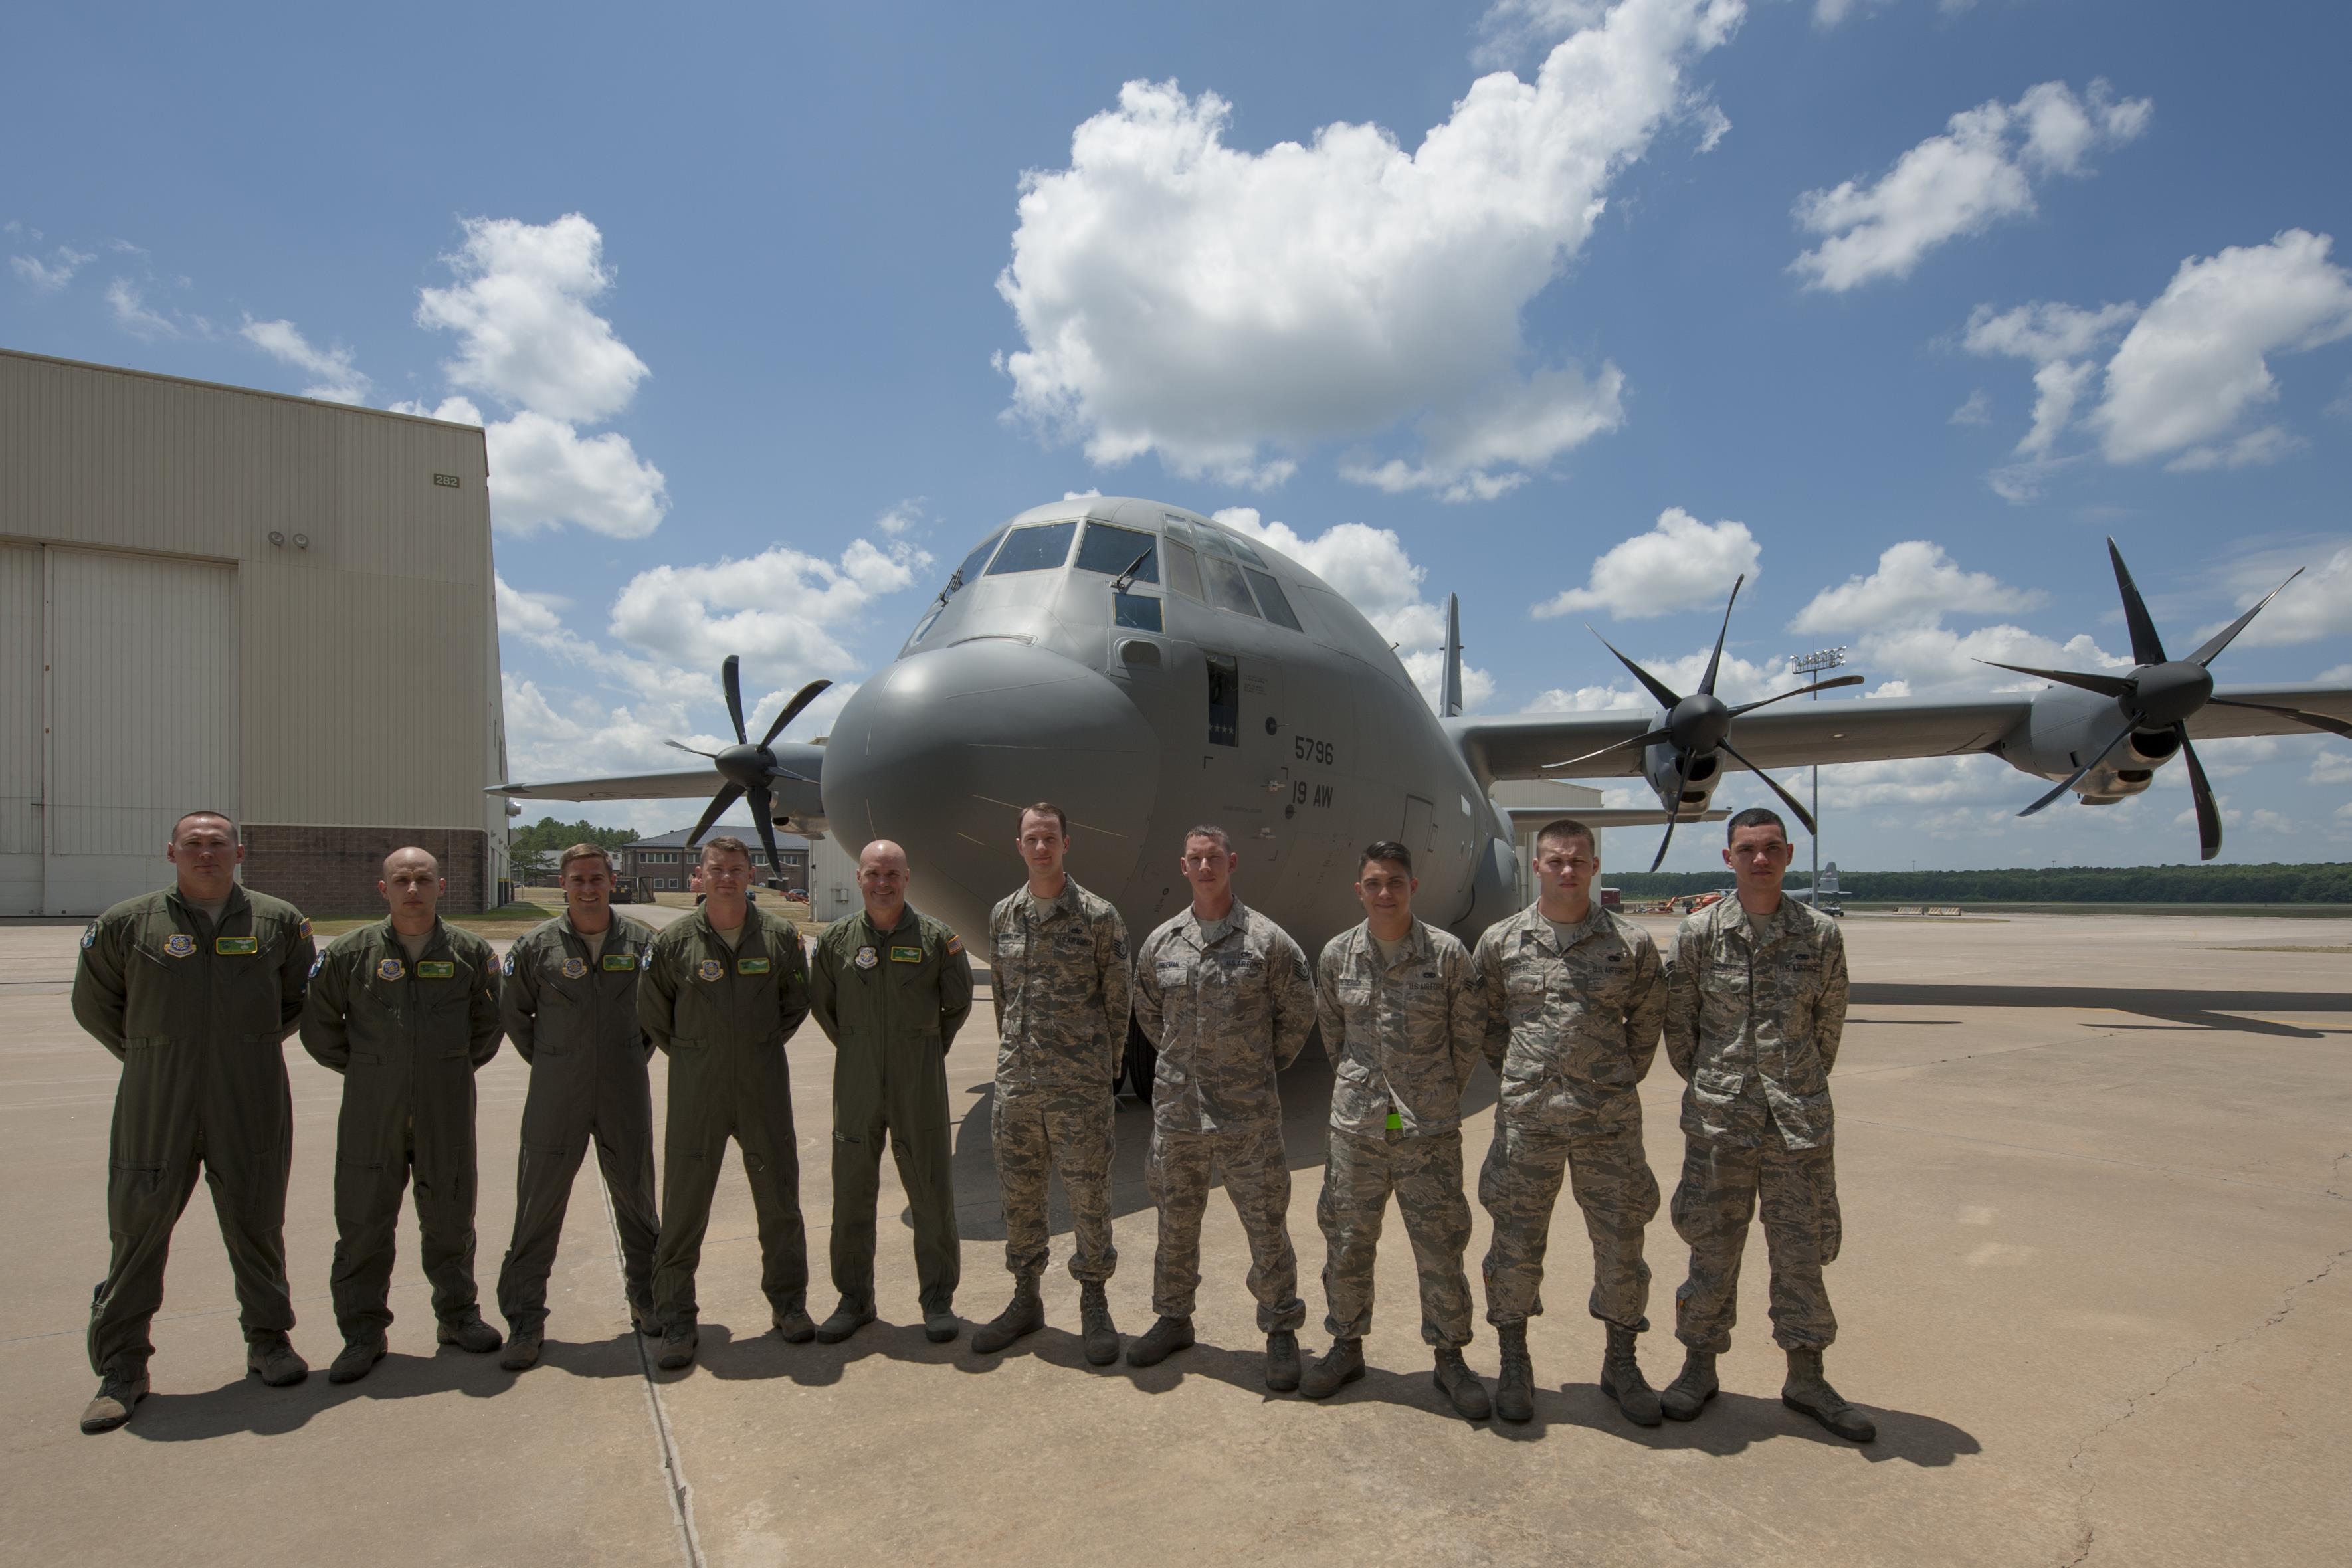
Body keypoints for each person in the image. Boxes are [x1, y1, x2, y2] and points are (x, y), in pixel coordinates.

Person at [68, 811, 317, 1434]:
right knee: (137, 1225)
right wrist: (156, 1053)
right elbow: (95, 1003)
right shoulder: (127, 924)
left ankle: (270, 1343)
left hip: (250, 1093)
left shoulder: (279, 922)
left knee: (258, 1220)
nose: (206, 854)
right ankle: (122, 1368)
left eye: (218, 844)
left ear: (240, 853)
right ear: (171, 853)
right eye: (194, 845)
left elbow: (297, 1000)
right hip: (157, 1097)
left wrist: (241, 1047)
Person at [1661, 807, 1872, 1441]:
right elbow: (1681, 1031)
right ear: (1728, 858)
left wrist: (1792, 1085)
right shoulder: (1699, 934)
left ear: (1787, 856)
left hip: (1798, 1125)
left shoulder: (1820, 935)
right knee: (1711, 1249)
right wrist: (1723, 1086)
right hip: (1721, 1125)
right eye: (1747, 848)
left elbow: (1827, 1029)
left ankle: (1806, 1376)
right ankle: (1698, 1366)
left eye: (1772, 848)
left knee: (1803, 1252)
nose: (1760, 859)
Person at [1470, 819, 1666, 1426]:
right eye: (1555, 861)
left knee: (1621, 1245)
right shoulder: (1501, 943)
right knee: (1515, 1245)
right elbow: (1490, 1025)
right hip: (1528, 1124)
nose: (1566, 871)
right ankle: (1514, 1361)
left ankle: (1622, 1361)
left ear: (1594, 867)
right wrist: (1528, 1077)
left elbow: (1648, 1026)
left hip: (1608, 1124)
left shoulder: (1631, 945)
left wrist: (1604, 1080)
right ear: (1537, 866)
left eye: (1577, 862)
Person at [1300, 842, 1490, 1419]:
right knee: (1349, 1241)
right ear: (1359, 890)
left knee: (1439, 1245)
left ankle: (1450, 1357)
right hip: (1357, 1129)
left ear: (1413, 887)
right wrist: (1366, 1092)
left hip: (1427, 1131)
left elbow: (1468, 1038)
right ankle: (1347, 1344)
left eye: (1396, 882)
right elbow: (1333, 1036)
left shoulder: (1448, 955)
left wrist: (1430, 1096)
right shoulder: (1338, 955)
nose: (1386, 893)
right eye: (1375, 883)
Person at [302, 847, 504, 1384]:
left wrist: (442, 1070)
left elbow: (488, 1027)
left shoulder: (470, 952)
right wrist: (377, 1071)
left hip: (447, 1108)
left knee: (451, 1221)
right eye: (402, 880)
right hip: (373, 1111)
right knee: (364, 1224)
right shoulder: (349, 954)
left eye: (423, 879)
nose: (413, 889)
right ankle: (363, 1333)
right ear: (383, 889)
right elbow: (320, 1029)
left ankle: (458, 1317)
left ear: (442, 886)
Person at [1127, 827, 1315, 1391]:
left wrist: (1252, 1068)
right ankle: (1173, 1317)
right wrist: (1186, 1064)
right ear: (1182, 866)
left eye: (1214, 858)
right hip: (1179, 1114)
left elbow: (1297, 1016)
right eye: (1195, 859)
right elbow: (1148, 1014)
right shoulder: (1163, 942)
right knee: (1174, 1223)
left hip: (1247, 1116)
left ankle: (1281, 1329)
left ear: (1232, 862)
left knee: (1266, 1227)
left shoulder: (1267, 941)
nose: (1205, 867)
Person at [638, 836, 814, 1371]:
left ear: (751, 875)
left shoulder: (781, 937)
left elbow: (795, 1005)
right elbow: (654, 1015)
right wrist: (700, 1054)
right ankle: (676, 1321)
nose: (727, 878)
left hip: (763, 1084)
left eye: (737, 869)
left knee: (779, 1198)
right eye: (717, 869)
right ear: (700, 875)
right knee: (685, 1206)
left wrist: (751, 1049)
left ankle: (789, 1307)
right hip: (698, 1089)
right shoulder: (672, 942)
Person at [492, 844, 663, 1371]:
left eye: (596, 878)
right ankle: (525, 1320)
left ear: (613, 881)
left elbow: (657, 1014)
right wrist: (557, 1061)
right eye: (577, 880)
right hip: (555, 1091)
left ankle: (649, 1299)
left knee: (636, 1199)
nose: (588, 888)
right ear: (563, 885)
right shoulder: (536, 947)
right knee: (538, 1205)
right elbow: (516, 1017)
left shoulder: (642, 943)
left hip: (623, 1088)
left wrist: (624, 1057)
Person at [973, 803, 1131, 1365]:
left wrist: (1102, 1073)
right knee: (1020, 1197)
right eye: (1032, 839)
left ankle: (1095, 1300)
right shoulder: (1003, 916)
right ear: (1019, 846)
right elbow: (1001, 997)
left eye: (1050, 838)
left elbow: (1119, 1002)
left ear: (1068, 843)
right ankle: (1025, 1297)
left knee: (1089, 1198)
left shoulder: (1098, 916)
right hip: (1018, 1084)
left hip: (1080, 1088)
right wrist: (1015, 1059)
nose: (1041, 848)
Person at [807, 840, 974, 1344]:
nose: (883, 883)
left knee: (930, 1190)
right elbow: (824, 1007)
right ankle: (854, 1300)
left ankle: (938, 1300)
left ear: (907, 879)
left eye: (893, 874)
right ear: (859, 877)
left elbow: (958, 1004)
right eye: (874, 873)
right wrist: (861, 1047)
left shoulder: (936, 939)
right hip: (856, 1079)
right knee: (852, 1192)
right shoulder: (836, 941)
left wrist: (919, 1049)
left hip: (917, 1077)